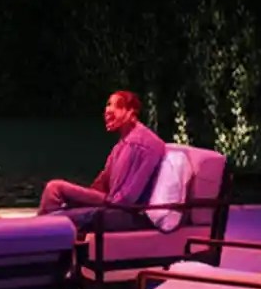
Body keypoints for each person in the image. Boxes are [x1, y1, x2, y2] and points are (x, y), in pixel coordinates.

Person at [37, 90, 165, 232]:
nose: (108, 111)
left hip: (121, 208)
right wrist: (82, 200)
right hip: (111, 200)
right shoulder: (123, 143)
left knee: (55, 190)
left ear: (131, 112)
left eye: (117, 106)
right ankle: (44, 234)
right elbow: (103, 181)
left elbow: (128, 197)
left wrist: (95, 204)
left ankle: (40, 234)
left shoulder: (142, 144)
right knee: (55, 191)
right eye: (108, 105)